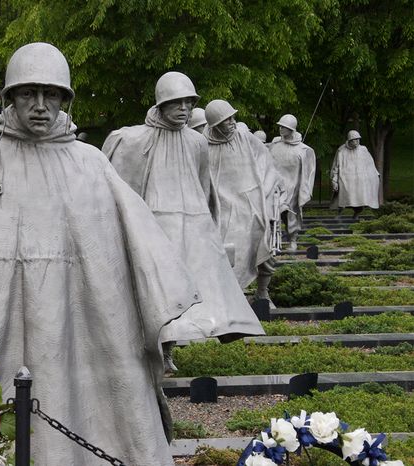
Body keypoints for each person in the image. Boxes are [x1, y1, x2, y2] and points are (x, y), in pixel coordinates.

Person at [0, 43, 200, 465]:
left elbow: (141, 246)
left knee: (86, 413)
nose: (39, 106)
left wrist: (160, 315)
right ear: (9, 98)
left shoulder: (91, 164)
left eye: (51, 94)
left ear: (65, 100)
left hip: (81, 328)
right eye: (27, 94)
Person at [102, 72, 263, 372]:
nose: (184, 109)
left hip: (191, 226)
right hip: (154, 225)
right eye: (176, 103)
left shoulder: (195, 142)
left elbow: (204, 187)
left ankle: (170, 351)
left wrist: (207, 227)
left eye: (189, 103)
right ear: (162, 104)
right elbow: (120, 184)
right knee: (153, 291)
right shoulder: (136, 138)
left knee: (191, 290)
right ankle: (154, 350)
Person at [203, 100, 286, 308]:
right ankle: (230, 296)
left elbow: (267, 166)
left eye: (232, 117)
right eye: (226, 120)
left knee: (264, 246)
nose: (232, 122)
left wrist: (268, 195)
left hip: (253, 204)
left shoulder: (246, 139)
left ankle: (262, 292)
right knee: (227, 252)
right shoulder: (202, 145)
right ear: (215, 124)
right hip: (222, 208)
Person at [268, 114, 316, 250]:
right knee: (272, 212)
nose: (281, 129)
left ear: (291, 129)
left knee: (291, 213)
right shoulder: (274, 145)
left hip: (292, 187)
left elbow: (308, 172)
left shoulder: (303, 150)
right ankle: (271, 240)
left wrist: (303, 189)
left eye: (284, 127)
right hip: (274, 185)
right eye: (280, 126)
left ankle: (293, 239)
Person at [330, 130, 380, 219]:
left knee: (360, 198)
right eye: (355, 139)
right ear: (350, 140)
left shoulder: (363, 150)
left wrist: (375, 174)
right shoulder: (341, 151)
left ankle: (356, 214)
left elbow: (369, 163)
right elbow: (336, 167)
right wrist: (334, 180)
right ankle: (339, 214)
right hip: (345, 180)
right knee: (343, 198)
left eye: (358, 139)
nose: (357, 141)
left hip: (359, 181)